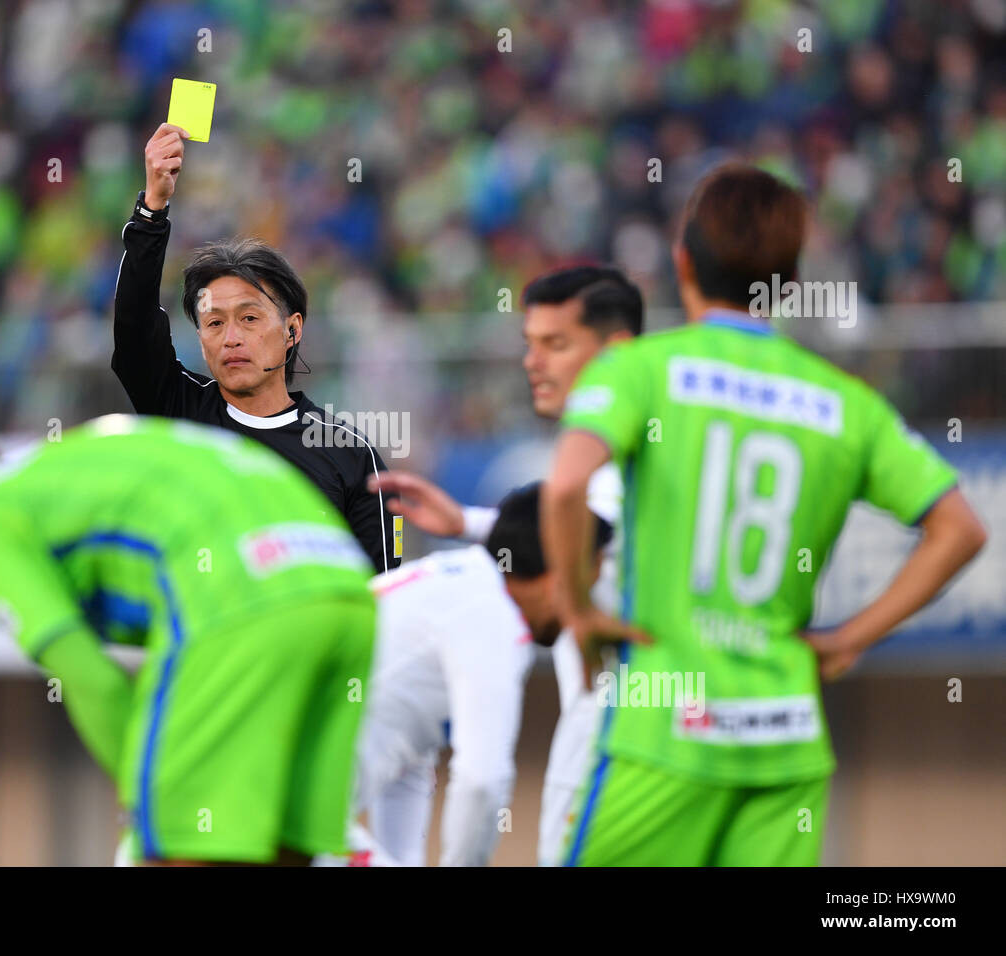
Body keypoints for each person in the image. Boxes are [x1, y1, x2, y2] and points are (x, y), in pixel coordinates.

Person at [544, 163, 988, 866]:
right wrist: (850, 638)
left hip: (664, 733)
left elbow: (565, 487)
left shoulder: (640, 369)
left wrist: (578, 609)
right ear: (788, 280)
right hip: (785, 744)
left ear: (683, 260)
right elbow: (961, 529)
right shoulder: (847, 403)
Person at [0, 410, 377, 865]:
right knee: (283, 851)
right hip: (342, 584)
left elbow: (92, 680)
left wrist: (148, 798)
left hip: (239, 593)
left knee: (176, 849)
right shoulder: (50, 472)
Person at [368, 266, 643, 866]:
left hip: (621, 738)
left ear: (614, 350)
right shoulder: (621, 466)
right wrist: (473, 523)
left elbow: (597, 529)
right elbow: (594, 534)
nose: (532, 362)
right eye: (529, 343)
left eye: (556, 344)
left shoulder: (616, 461)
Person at [112, 123, 400, 573]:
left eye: (249, 319)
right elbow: (132, 329)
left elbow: (382, 597)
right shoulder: (179, 413)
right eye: (213, 322)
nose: (231, 338)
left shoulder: (350, 455)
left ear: (292, 330)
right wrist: (153, 208)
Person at [339, 483, 612, 867]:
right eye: (589, 584)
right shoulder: (492, 619)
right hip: (279, 804)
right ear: (559, 575)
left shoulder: (458, 582)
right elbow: (482, 781)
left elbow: (407, 759)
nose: (585, 612)